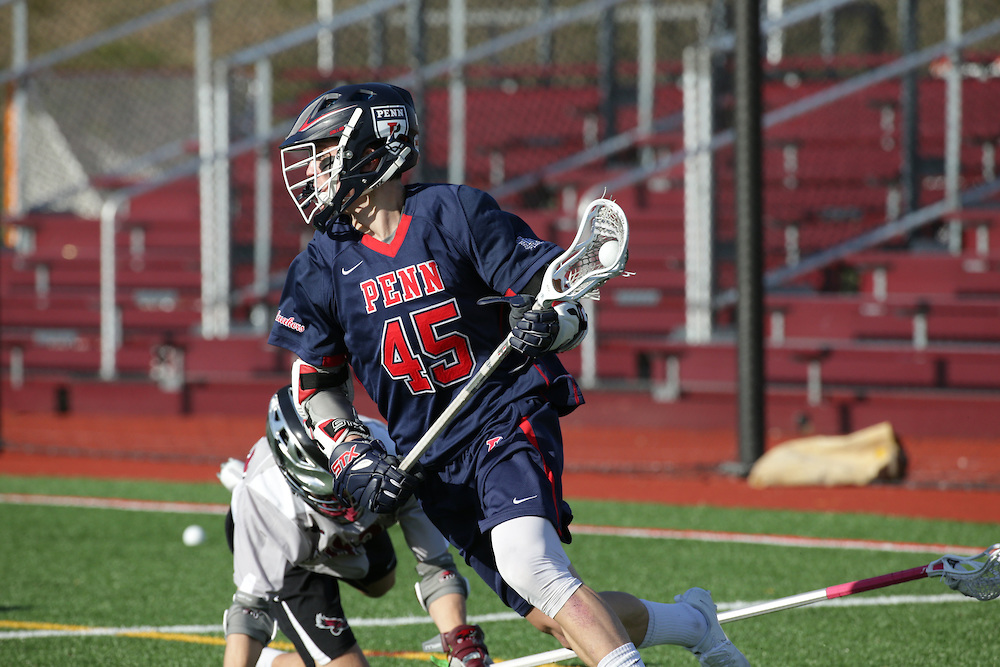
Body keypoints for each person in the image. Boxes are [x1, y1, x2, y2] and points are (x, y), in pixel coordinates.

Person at [267, 81, 750, 667]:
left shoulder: (452, 213)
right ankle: (695, 624)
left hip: (503, 414)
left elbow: (564, 306)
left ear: (374, 147)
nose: (312, 173)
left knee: (532, 564)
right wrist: (353, 457)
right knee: (553, 614)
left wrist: (546, 326)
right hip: (432, 456)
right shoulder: (319, 266)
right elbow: (316, 386)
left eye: (324, 156)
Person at [219, 384, 490, 667]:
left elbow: (436, 566)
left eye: (349, 489)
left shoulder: (398, 459)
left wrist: (460, 641)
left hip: (352, 530)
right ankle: (270, 662)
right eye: (331, 495)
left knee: (381, 582)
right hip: (295, 553)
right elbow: (250, 610)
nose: (347, 509)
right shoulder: (262, 498)